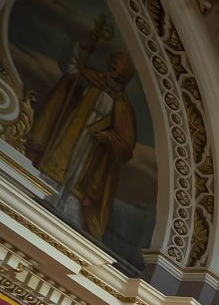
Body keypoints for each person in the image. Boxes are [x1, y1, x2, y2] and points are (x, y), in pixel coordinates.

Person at [26, 30, 138, 240]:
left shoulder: (124, 107)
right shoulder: (92, 78)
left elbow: (126, 146)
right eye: (112, 69)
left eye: (119, 75)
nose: (113, 76)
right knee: (57, 170)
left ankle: (64, 207)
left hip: (92, 151)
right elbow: (70, 68)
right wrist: (82, 47)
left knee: (76, 180)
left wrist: (109, 138)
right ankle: (46, 196)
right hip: (72, 132)